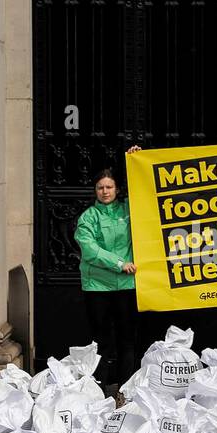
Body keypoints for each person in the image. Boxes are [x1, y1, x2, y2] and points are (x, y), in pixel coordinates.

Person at [74, 156, 139, 392]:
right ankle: (99, 389)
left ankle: (125, 390)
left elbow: (147, 195)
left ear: (117, 189)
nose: (105, 191)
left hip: (126, 286)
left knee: (127, 340)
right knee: (100, 341)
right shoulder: (88, 217)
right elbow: (89, 249)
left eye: (109, 186)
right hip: (97, 287)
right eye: (100, 187)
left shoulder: (128, 210)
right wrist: (119, 263)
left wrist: (137, 158)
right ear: (95, 190)